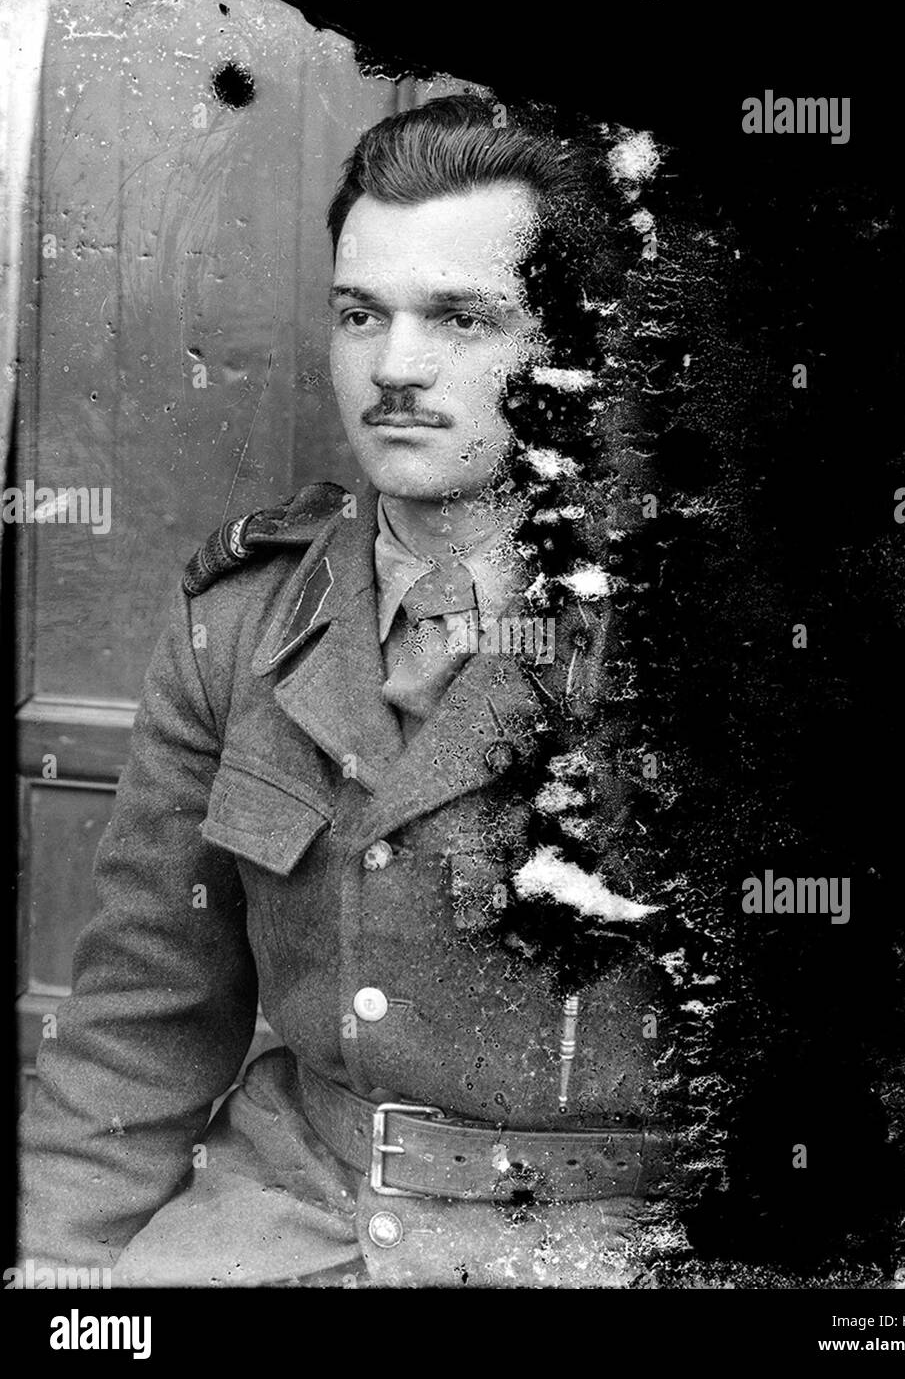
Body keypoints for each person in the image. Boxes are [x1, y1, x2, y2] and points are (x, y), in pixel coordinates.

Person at [19, 94, 685, 1288]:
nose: (394, 367)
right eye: (359, 313)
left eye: (462, 318)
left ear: (572, 349)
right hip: (281, 1221)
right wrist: (56, 1267)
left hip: (590, 1252)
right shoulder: (239, 622)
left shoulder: (706, 645)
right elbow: (145, 1006)